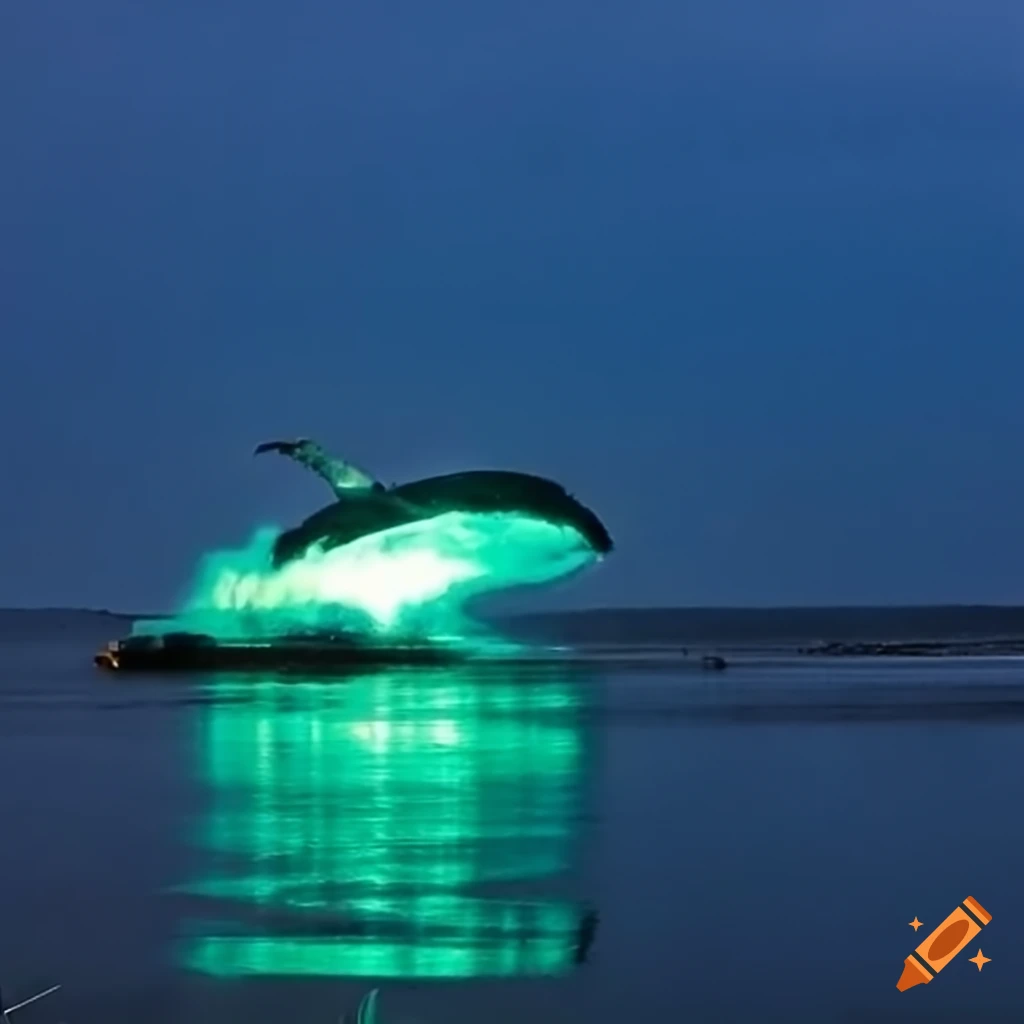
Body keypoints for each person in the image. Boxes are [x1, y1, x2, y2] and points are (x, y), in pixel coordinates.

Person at [254, 438, 386, 498]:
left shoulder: (307, 450)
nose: (294, 458)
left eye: (294, 454)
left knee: (345, 486)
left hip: (341, 473)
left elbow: (290, 447)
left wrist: (269, 447)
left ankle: (377, 495)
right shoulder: (308, 456)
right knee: (340, 487)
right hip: (335, 474)